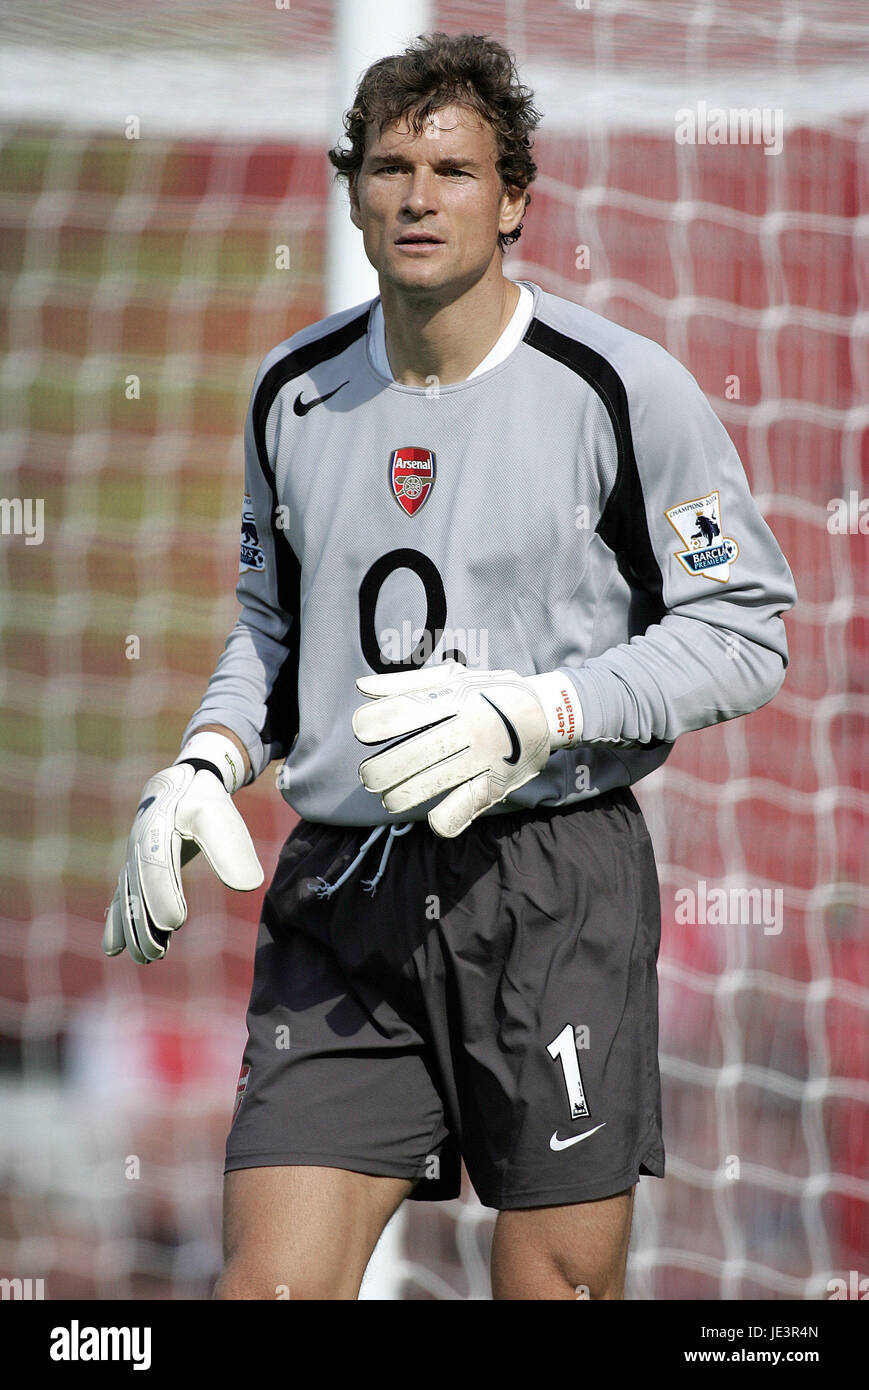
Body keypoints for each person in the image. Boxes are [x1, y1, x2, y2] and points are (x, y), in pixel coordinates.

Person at [104, 31, 797, 1300]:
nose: (417, 195)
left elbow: (745, 629)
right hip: (343, 887)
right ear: (353, 191)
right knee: (261, 1291)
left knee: (555, 1290)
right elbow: (271, 625)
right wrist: (206, 758)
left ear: (513, 198)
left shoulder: (619, 388)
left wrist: (542, 710)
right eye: (387, 167)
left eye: (453, 168)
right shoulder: (291, 392)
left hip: (547, 882)